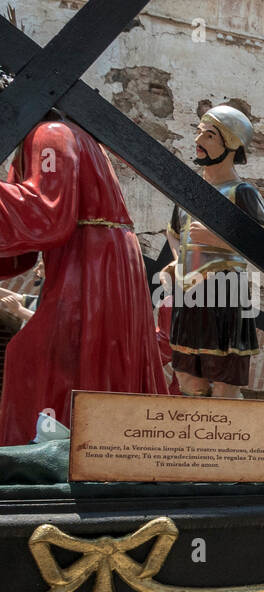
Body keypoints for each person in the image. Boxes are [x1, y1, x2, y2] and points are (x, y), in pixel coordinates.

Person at [0, 76, 166, 446]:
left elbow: (46, 214)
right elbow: (26, 237)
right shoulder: (38, 139)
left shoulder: (51, 133)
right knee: (42, 352)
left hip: (94, 260)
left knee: (37, 352)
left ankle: (62, 445)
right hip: (88, 253)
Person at [166, 104, 264, 398]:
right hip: (189, 293)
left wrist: (219, 240)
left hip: (226, 292)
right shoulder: (189, 190)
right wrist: (176, 263)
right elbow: (174, 234)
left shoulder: (242, 192)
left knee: (225, 379)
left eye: (210, 135)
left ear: (231, 143)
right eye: (199, 132)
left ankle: (226, 439)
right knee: (188, 377)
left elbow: (262, 244)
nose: (199, 140)